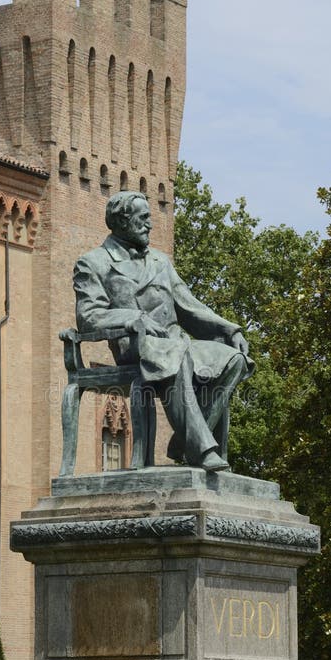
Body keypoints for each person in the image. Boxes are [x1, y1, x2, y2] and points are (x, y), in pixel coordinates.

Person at [73, 191, 254, 471]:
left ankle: (186, 441)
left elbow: (190, 307)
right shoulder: (94, 262)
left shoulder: (161, 262)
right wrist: (134, 317)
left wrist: (231, 330)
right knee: (176, 355)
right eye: (143, 218)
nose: (150, 225)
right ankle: (202, 450)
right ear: (123, 221)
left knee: (234, 360)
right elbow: (88, 316)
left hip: (174, 343)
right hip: (136, 346)